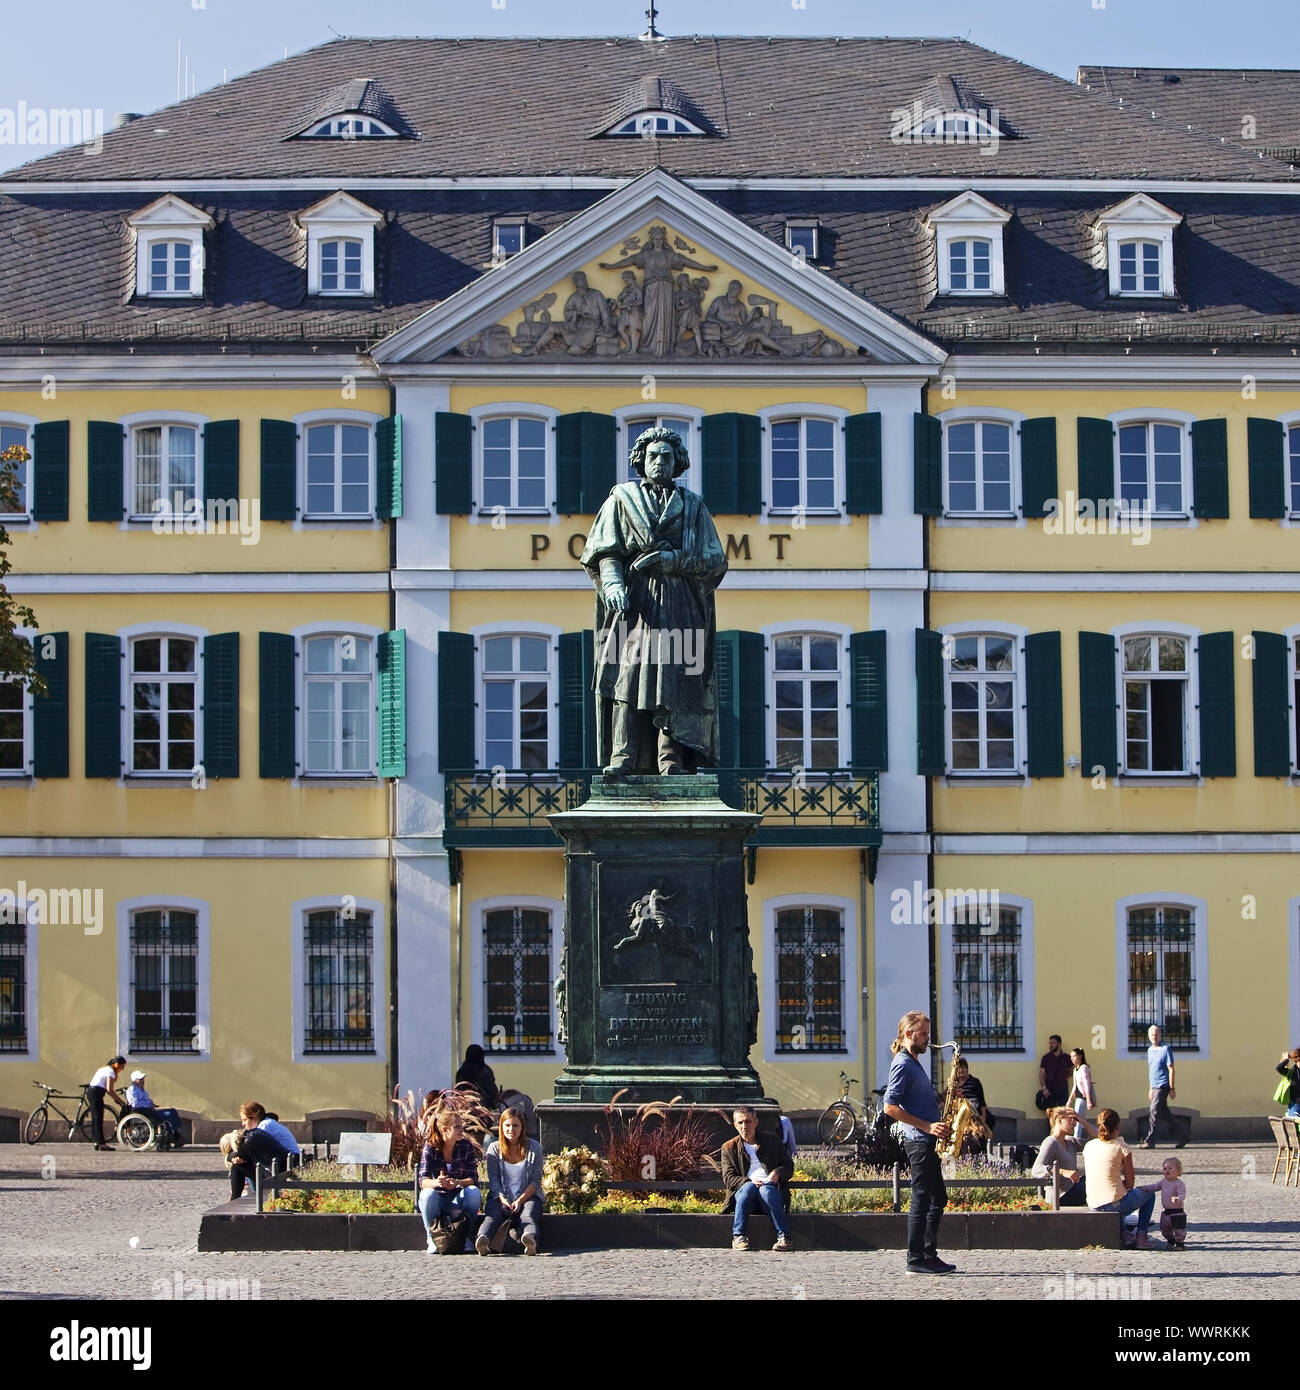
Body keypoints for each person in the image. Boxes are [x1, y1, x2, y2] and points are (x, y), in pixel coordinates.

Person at [580, 426, 727, 775]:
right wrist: (613, 584)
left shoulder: (693, 506)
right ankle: (623, 755)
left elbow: (715, 560)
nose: (659, 462)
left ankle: (671, 759)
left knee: (676, 680)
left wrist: (671, 561)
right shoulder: (621, 498)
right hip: (634, 604)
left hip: (681, 605)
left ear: (678, 463)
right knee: (626, 676)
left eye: (667, 456)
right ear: (640, 461)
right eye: (653, 456)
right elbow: (605, 550)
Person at [882, 1010, 955, 1274]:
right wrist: (928, 1126)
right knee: (922, 1199)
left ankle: (927, 1254)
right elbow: (889, 1107)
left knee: (937, 1198)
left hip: (927, 1140)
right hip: (919, 1141)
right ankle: (917, 1259)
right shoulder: (902, 1063)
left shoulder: (913, 1061)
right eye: (923, 1034)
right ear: (908, 1034)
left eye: (928, 1034)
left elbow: (918, 1101)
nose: (928, 1039)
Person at [598, 224, 717, 356]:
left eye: (660, 239)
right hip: (651, 289)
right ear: (652, 240)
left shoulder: (668, 255)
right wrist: (612, 266)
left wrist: (704, 268)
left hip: (666, 288)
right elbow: (630, 260)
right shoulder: (646, 254)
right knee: (649, 315)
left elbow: (686, 260)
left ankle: (665, 346)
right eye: (656, 239)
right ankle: (648, 345)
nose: (658, 241)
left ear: (663, 240)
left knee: (665, 314)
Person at [721, 1106, 794, 1252]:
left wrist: (777, 1173)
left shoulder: (772, 1140)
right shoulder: (729, 1147)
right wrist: (748, 1181)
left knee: (766, 1191)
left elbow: (788, 1166)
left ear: (756, 1122)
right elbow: (728, 1178)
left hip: (770, 1194)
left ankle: (784, 1238)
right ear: (735, 1125)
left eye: (748, 1121)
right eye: (740, 1122)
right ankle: (739, 1237)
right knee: (748, 1188)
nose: (744, 1126)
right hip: (746, 1197)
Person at [1083, 1107, 1156, 1249]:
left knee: (1117, 1193)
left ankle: (1125, 1234)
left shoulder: (1089, 1146)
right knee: (1148, 1194)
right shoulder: (1121, 1147)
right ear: (1117, 1126)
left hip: (1093, 1203)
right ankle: (1141, 1236)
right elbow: (1130, 1183)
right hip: (1113, 1204)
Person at [476, 1107, 544, 1255]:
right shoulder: (494, 1149)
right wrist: (502, 1199)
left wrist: (520, 1200)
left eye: (515, 1125)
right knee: (493, 1216)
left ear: (522, 1128)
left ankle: (530, 1239)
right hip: (500, 1196)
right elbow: (494, 1180)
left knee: (528, 1215)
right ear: (501, 1127)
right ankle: (482, 1239)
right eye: (507, 1125)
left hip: (528, 1196)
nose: (511, 1129)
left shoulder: (534, 1148)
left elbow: (535, 1181)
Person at [417, 1105, 482, 1254]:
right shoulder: (430, 1147)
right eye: (457, 1127)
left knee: (473, 1193)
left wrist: (457, 1182)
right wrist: (437, 1183)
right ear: (445, 1129)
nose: (461, 1130)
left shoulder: (465, 1146)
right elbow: (423, 1180)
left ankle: (465, 1237)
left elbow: (473, 1178)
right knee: (427, 1195)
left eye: (462, 1126)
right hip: (438, 1198)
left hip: (457, 1197)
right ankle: (432, 1238)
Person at [1031, 1105, 1097, 1207]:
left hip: (1072, 1189)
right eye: (1072, 1119)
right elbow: (1036, 1170)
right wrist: (1062, 1171)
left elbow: (1098, 1138)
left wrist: (1083, 1121)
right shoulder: (1050, 1142)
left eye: (1076, 1120)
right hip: (1060, 1195)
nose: (1075, 1124)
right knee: (1096, 1187)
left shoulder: (1070, 1141)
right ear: (1060, 1119)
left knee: (1097, 1178)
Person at [226, 1113, 291, 1200]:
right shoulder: (254, 1134)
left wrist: (236, 1158)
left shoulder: (250, 1140)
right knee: (243, 1165)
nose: (243, 1123)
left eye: (244, 1120)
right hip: (278, 1171)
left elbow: (234, 1155)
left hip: (277, 1176)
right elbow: (232, 1156)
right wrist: (238, 1158)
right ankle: (247, 1196)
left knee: (237, 1168)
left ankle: (234, 1199)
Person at [1144, 1024, 1189, 1149]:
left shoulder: (1165, 1049)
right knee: (1165, 1115)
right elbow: (1151, 1070)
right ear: (1148, 1036)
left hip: (1163, 1085)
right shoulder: (1149, 1051)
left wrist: (1172, 1088)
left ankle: (1150, 1140)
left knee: (1153, 1111)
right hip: (1154, 1086)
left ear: (1160, 1035)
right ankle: (1183, 1136)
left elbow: (1171, 1069)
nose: (1155, 1037)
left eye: (1157, 1034)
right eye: (1152, 1035)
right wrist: (1150, 1088)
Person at [123, 1070, 184, 1145]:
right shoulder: (132, 1090)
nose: (142, 1080)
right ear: (134, 1080)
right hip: (143, 1111)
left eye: (143, 1078)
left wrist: (151, 1103)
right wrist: (148, 1105)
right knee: (168, 1114)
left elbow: (147, 1100)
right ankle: (175, 1136)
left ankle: (176, 1134)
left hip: (148, 1110)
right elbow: (135, 1104)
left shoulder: (142, 1090)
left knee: (172, 1111)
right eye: (140, 1079)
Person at [1140, 1156, 1188, 1249]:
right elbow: (1155, 1186)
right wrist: (1145, 1187)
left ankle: (1180, 1244)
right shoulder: (1163, 1182)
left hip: (1177, 1212)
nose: (1167, 1170)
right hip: (1166, 1212)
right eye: (1164, 1168)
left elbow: (1182, 1194)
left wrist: (1178, 1198)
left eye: (1170, 1168)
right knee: (1165, 1229)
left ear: (1178, 1171)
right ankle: (1171, 1240)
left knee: (1179, 1230)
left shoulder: (1179, 1183)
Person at [952, 1058, 991, 1154]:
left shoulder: (975, 1082)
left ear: (967, 1068)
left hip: (974, 1115)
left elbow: (982, 1102)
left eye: (963, 1067)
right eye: (958, 1068)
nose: (961, 1070)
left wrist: (983, 1119)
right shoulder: (954, 1084)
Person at [86, 1055, 126, 1151]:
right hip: (96, 1093)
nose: (122, 1069)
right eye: (122, 1067)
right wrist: (121, 1101)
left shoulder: (104, 1069)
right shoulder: (111, 1072)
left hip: (92, 1091)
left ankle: (97, 1142)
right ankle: (101, 1144)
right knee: (98, 1118)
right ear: (116, 1065)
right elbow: (109, 1090)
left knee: (96, 1118)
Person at [454, 1044, 500, 1109]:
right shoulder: (485, 1071)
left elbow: (457, 1091)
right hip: (482, 1110)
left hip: (463, 1108)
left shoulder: (461, 1071)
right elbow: (492, 1090)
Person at [1066, 1047, 1096, 1143]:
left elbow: (1087, 1084)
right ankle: (1082, 1137)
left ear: (1080, 1056)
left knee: (1078, 1119)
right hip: (1078, 1097)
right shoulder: (1076, 1069)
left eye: (1074, 1056)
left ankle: (1076, 1138)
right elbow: (1075, 1086)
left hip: (1082, 1098)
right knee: (1080, 1118)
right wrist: (1069, 1100)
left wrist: (1088, 1100)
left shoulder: (1084, 1068)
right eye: (1071, 1057)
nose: (1072, 1058)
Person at [1038, 1034, 1072, 1110]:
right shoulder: (1046, 1058)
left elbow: (1071, 1070)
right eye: (1050, 1043)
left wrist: (1065, 1075)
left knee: (1063, 1113)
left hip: (1063, 1090)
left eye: (1053, 1043)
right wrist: (1044, 1088)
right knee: (1050, 1114)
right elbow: (1042, 1074)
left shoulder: (1066, 1057)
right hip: (1049, 1090)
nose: (1051, 1045)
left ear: (1059, 1044)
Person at [764, 1096, 799, 1162]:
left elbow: (792, 1144)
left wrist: (795, 1159)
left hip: (782, 1160)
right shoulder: (756, 1123)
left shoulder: (784, 1121)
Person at [1276, 1047, 1300, 1119]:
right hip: (1295, 1105)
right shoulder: (1291, 1072)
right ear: (1297, 1061)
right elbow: (1279, 1068)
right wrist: (1286, 1060)